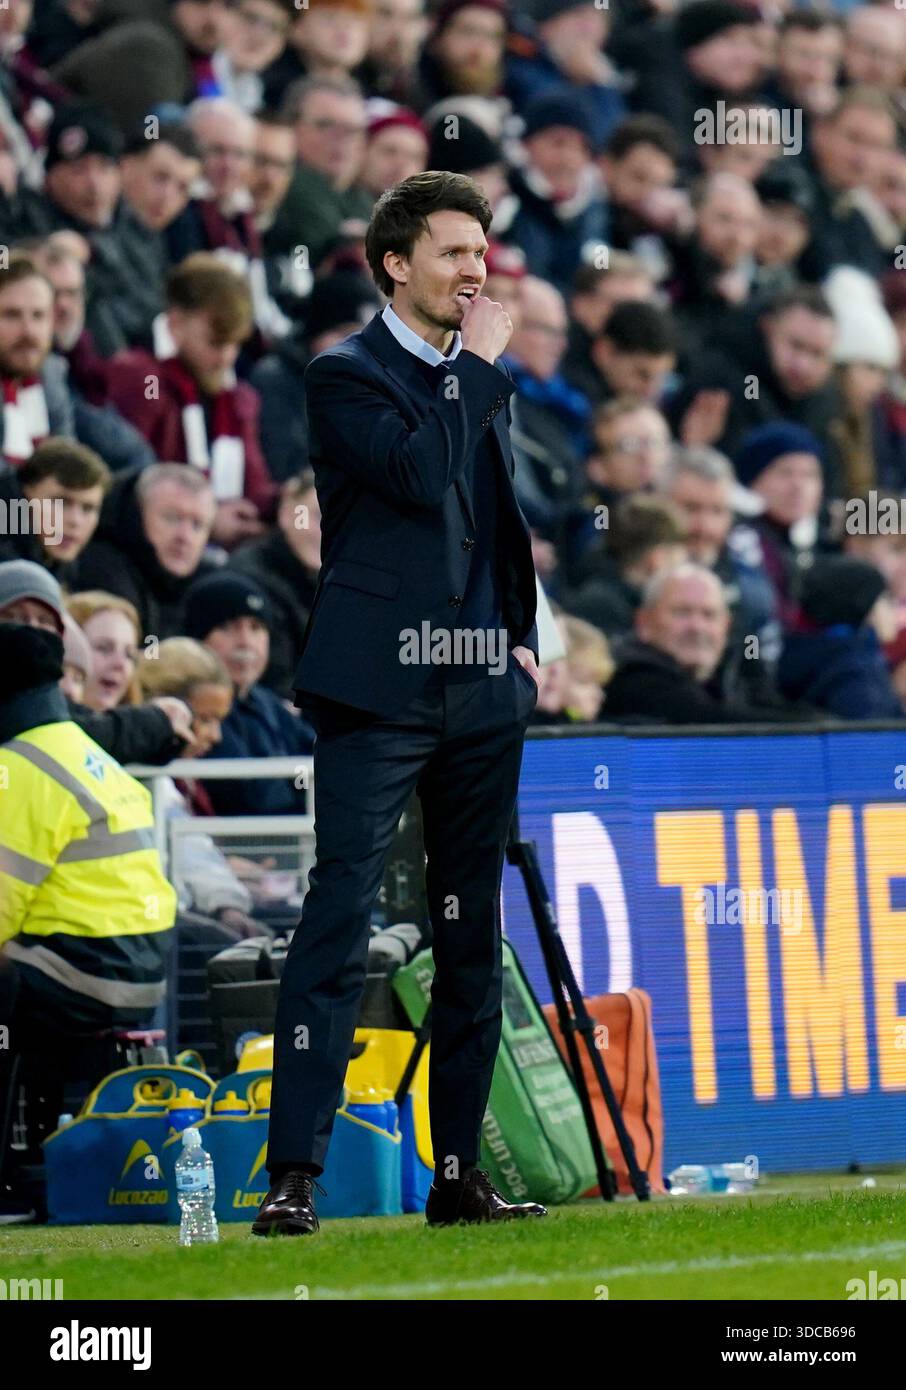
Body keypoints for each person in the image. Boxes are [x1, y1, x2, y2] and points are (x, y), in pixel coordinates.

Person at [253, 169, 546, 1236]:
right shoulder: (344, 374)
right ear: (395, 263)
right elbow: (421, 476)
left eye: (481, 252)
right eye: (456, 253)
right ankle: (294, 1172)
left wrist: (523, 641)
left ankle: (458, 1175)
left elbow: (491, 519)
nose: (477, 271)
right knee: (338, 920)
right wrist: (477, 368)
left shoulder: (476, 375)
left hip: (480, 688)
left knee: (471, 939)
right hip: (377, 689)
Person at [0, 619, 177, 1219]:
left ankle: (7, 1172)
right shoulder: (85, 752)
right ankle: (32, 1162)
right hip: (140, 974)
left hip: (82, 974)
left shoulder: (18, 768)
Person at [0, 557, 195, 765]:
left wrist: (163, 734)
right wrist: (156, 723)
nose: (31, 629)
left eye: (44, 621)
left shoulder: (60, 701)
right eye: (13, 617)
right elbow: (79, 737)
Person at [604, 562, 815, 725]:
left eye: (709, 615)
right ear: (644, 622)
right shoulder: (630, 675)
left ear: (726, 625)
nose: (697, 627)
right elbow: (709, 721)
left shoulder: (740, 665)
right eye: (681, 612)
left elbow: (776, 708)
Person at [183, 569, 316, 817]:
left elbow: (319, 757)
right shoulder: (188, 707)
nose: (245, 642)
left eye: (256, 628)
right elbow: (248, 796)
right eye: (227, 627)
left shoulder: (269, 704)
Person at [71, 463, 219, 641]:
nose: (185, 536)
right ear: (137, 512)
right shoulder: (103, 570)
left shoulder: (207, 583)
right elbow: (149, 660)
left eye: (197, 525)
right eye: (172, 518)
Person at [777, 557, 904, 721]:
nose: (895, 608)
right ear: (862, 607)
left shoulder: (815, 657)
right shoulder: (854, 672)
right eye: (885, 598)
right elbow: (872, 740)